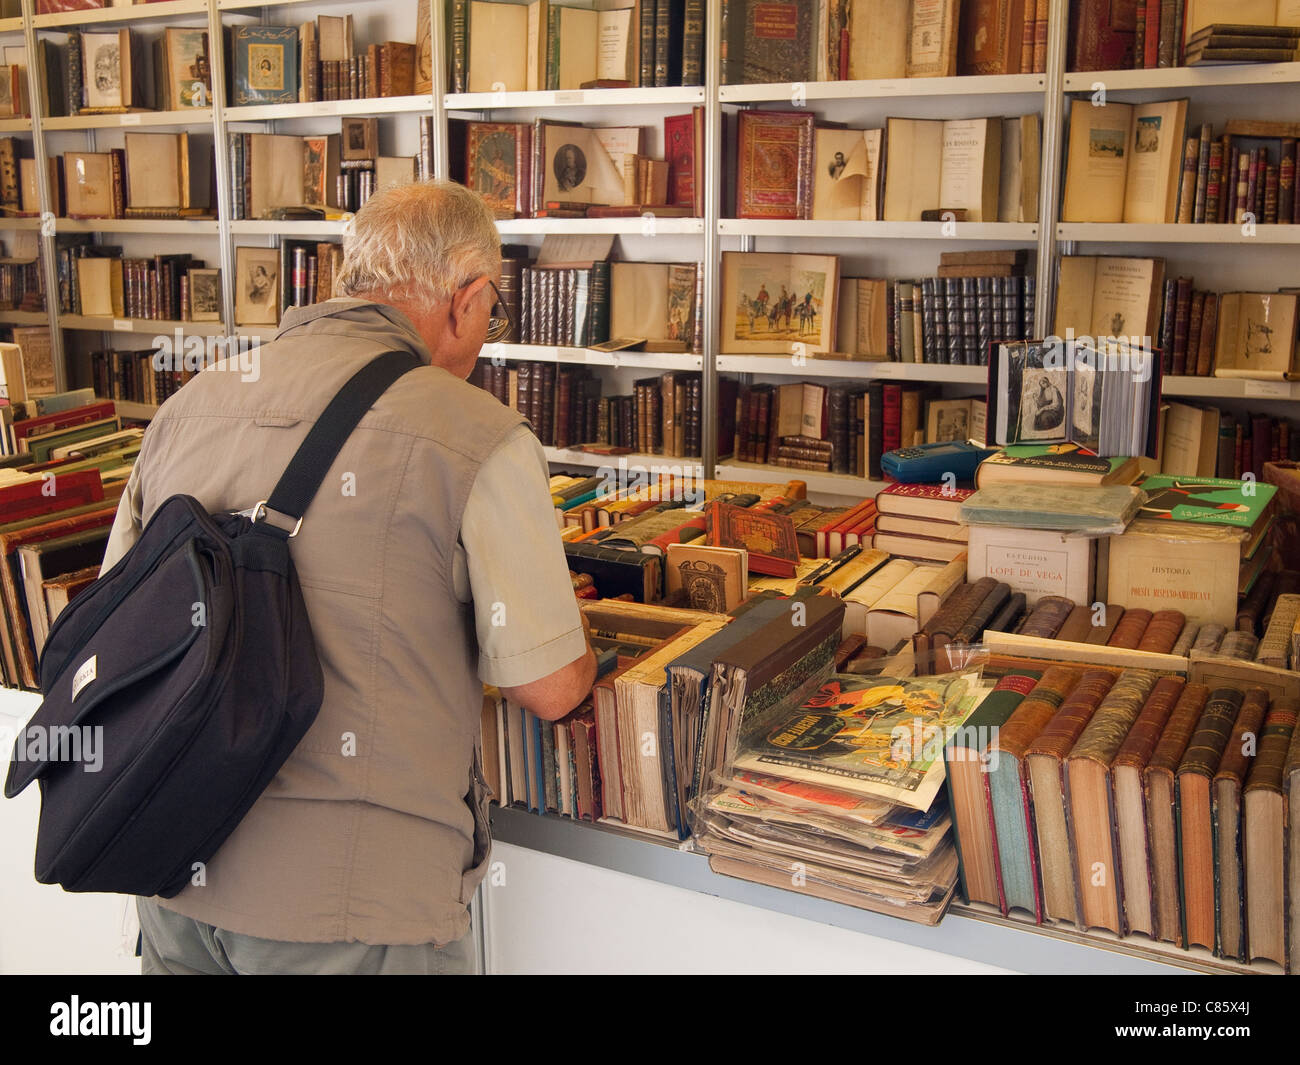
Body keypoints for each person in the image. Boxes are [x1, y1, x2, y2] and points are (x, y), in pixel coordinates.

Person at [102, 180, 597, 975]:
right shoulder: (479, 434)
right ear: (465, 302)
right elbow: (549, 688)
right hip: (355, 910)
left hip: (174, 875)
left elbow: (121, 628)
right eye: (491, 313)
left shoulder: (188, 405)